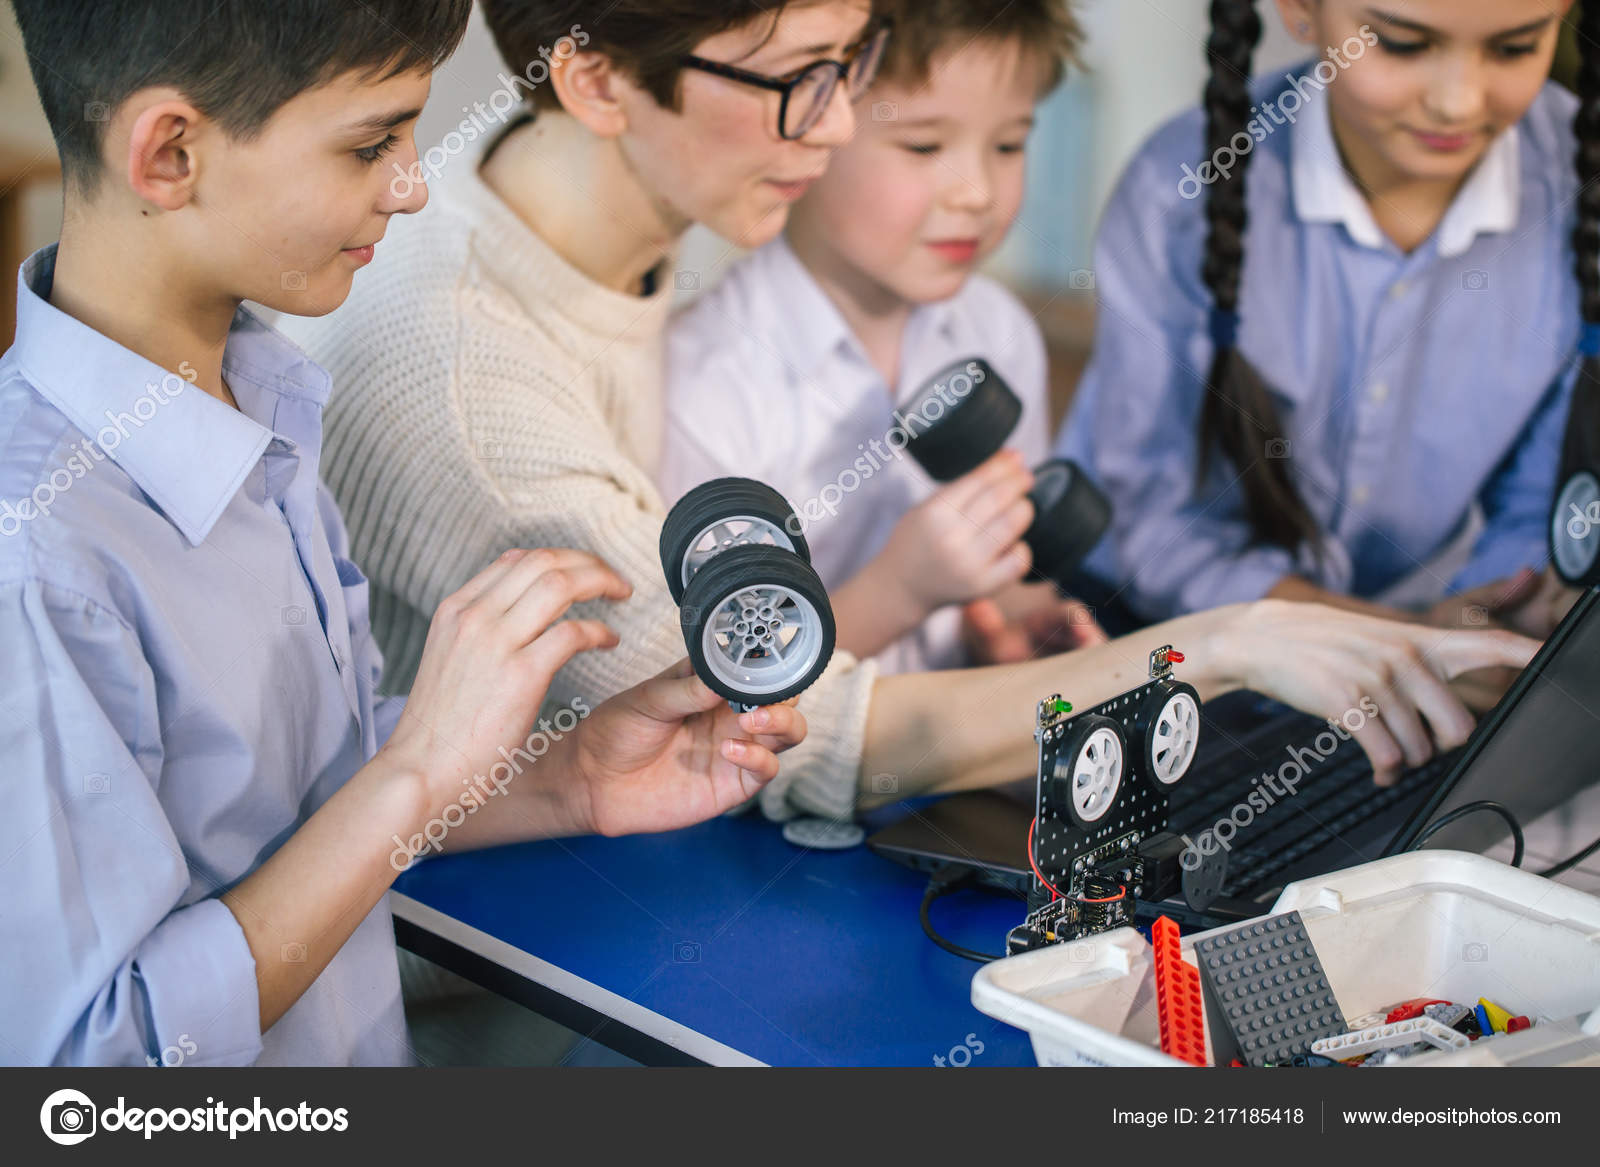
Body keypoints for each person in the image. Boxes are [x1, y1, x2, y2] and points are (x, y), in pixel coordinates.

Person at [287, 0, 1537, 831]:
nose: (835, 130)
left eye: (852, 66)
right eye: (796, 84)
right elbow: (796, 725)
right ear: (597, 77)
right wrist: (1220, 644)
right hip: (482, 976)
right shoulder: (464, 383)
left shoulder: (576, 193)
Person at [0, 0, 806, 1067]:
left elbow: (304, 791)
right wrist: (420, 770)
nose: (412, 183)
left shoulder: (262, 398)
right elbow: (91, 1069)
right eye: (370, 143)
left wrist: (566, 780)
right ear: (170, 153)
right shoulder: (38, 559)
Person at [1056, 0, 1583, 641]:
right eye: (1402, 44)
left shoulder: (1576, 195)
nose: (1458, 102)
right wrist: (1402, 640)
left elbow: (1544, 510)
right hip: (1146, 628)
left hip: (1437, 630)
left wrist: (1496, 615)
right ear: (1301, 9)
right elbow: (1160, 528)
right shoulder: (1176, 191)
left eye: (1514, 48)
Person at [660, 0, 1107, 676]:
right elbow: (713, 679)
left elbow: (1008, 578)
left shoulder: (997, 331)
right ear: (812, 130)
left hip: (952, 746)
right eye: (925, 146)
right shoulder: (708, 383)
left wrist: (1020, 618)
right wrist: (901, 591)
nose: (978, 193)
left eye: (1010, 144)